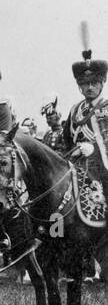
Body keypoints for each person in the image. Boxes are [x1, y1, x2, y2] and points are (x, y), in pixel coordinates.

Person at [61, 23, 108, 220]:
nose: (89, 87)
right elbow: (67, 141)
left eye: (93, 83)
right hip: (78, 168)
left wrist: (94, 150)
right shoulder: (75, 110)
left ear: (102, 82)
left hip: (103, 168)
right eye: (84, 84)